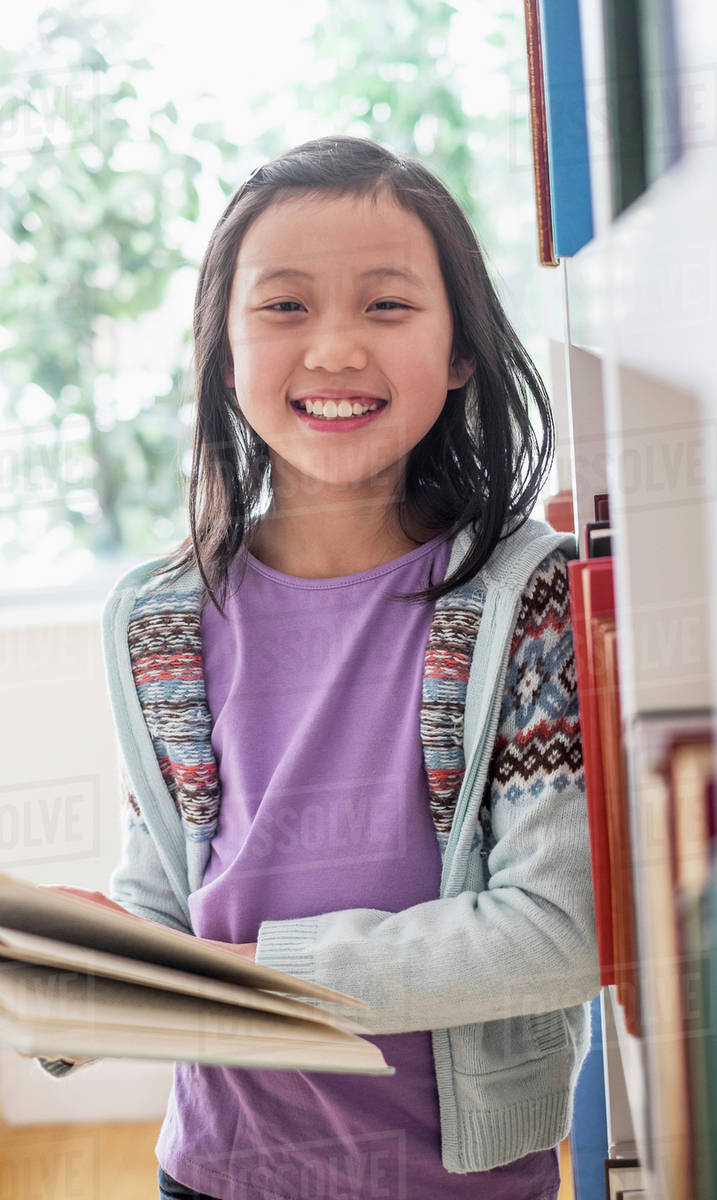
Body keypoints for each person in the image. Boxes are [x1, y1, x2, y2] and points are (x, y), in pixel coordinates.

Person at [38, 135, 600, 1200]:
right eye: (285, 306)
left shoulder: (522, 599)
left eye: (385, 306)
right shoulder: (158, 619)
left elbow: (551, 932)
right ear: (224, 351)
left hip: (459, 1184)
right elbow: (172, 892)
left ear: (460, 350)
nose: (334, 348)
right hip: (212, 1170)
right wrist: (83, 991)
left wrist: (244, 981)